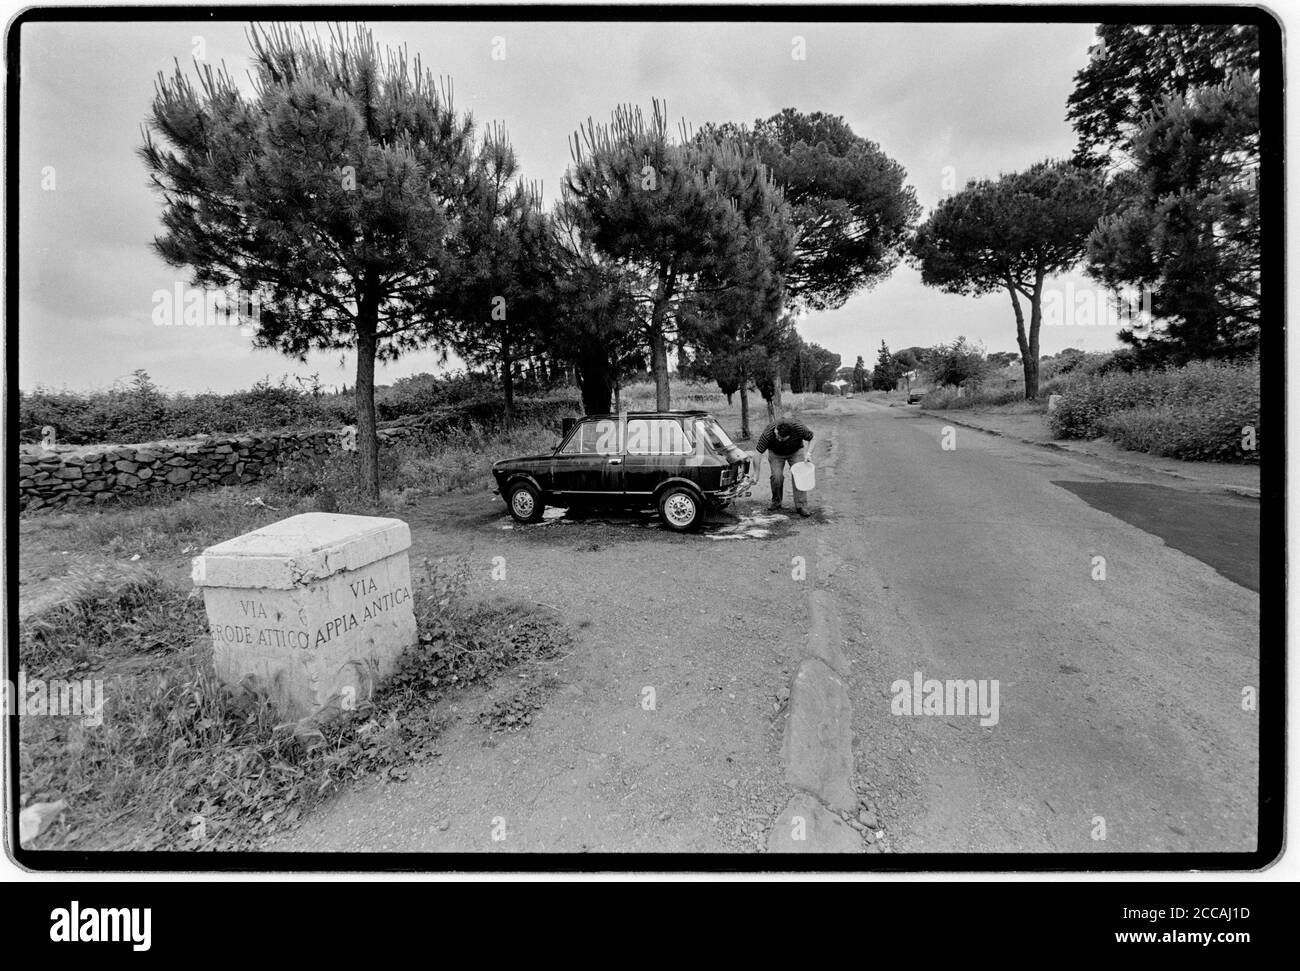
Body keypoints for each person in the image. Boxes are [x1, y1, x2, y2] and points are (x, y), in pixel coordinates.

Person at [755, 417, 814, 516]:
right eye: (777, 436)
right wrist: (756, 474)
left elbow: (813, 438)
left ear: (790, 435)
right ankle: (776, 501)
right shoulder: (769, 433)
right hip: (776, 454)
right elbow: (757, 453)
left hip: (795, 451)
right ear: (776, 430)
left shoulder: (798, 428)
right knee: (776, 476)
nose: (779, 439)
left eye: (782, 439)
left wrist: (809, 453)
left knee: (799, 476)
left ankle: (801, 505)